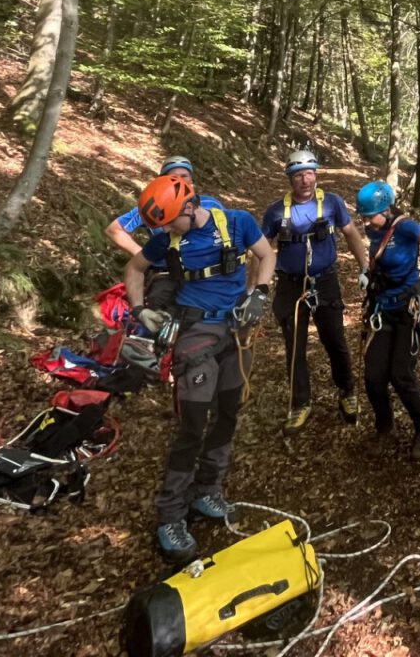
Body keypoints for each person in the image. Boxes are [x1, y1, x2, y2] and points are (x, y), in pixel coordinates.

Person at [123, 172, 274, 563]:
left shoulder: (237, 222)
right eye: (163, 225)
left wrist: (260, 291)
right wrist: (141, 311)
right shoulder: (166, 241)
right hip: (196, 333)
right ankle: (170, 513)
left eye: (172, 221)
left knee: (228, 413)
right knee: (192, 420)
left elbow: (266, 254)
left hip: (235, 330)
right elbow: (135, 269)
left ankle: (208, 489)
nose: (168, 230)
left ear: (190, 206)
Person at [262, 149, 367, 434]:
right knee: (294, 346)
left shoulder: (332, 203)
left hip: (324, 280)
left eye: (309, 174)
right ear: (290, 179)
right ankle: (300, 403)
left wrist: (364, 267)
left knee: (334, 340)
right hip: (290, 283)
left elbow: (351, 234)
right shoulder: (275, 211)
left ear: (316, 175)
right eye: (298, 176)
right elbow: (261, 250)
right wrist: (255, 287)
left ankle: (347, 391)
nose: (305, 181)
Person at [354, 180, 420, 463]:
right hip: (382, 309)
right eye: (362, 217)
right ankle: (385, 428)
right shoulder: (374, 229)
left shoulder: (406, 227)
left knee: (401, 375)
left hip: (408, 310)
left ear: (385, 209)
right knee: (373, 375)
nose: (366, 222)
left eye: (369, 216)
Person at [105, 156, 225, 312]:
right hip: (165, 272)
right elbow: (114, 229)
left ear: (191, 179)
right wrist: (140, 254)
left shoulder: (211, 204)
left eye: (185, 176)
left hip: (206, 271)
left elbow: (225, 232)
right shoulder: (154, 208)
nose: (181, 181)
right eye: (174, 177)